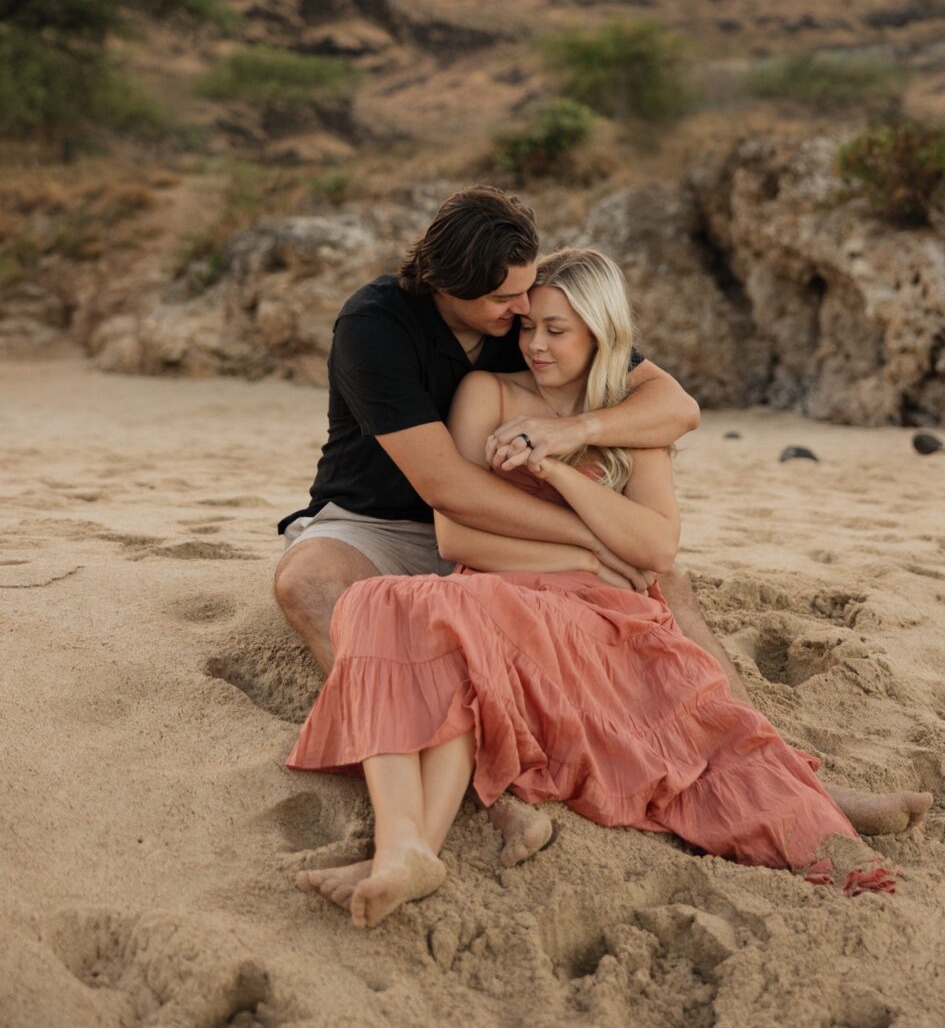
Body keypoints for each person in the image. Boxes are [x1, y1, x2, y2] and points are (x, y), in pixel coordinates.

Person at [287, 248, 903, 927]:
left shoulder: (630, 424)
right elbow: (458, 538)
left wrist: (557, 465)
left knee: (419, 614)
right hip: (498, 583)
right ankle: (409, 848)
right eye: (527, 326)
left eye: (557, 329)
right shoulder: (484, 390)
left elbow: (653, 547)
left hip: (584, 606)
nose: (532, 342)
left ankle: (790, 771)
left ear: (601, 333)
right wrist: (586, 542)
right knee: (383, 602)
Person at [274, 186, 703, 861]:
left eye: (527, 293)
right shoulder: (375, 325)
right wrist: (589, 542)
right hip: (381, 520)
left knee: (663, 574)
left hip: (507, 524)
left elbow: (675, 405)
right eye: (506, 301)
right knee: (306, 584)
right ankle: (480, 800)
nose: (524, 312)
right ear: (447, 285)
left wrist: (575, 430)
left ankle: (753, 751)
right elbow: (445, 489)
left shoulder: (524, 321)